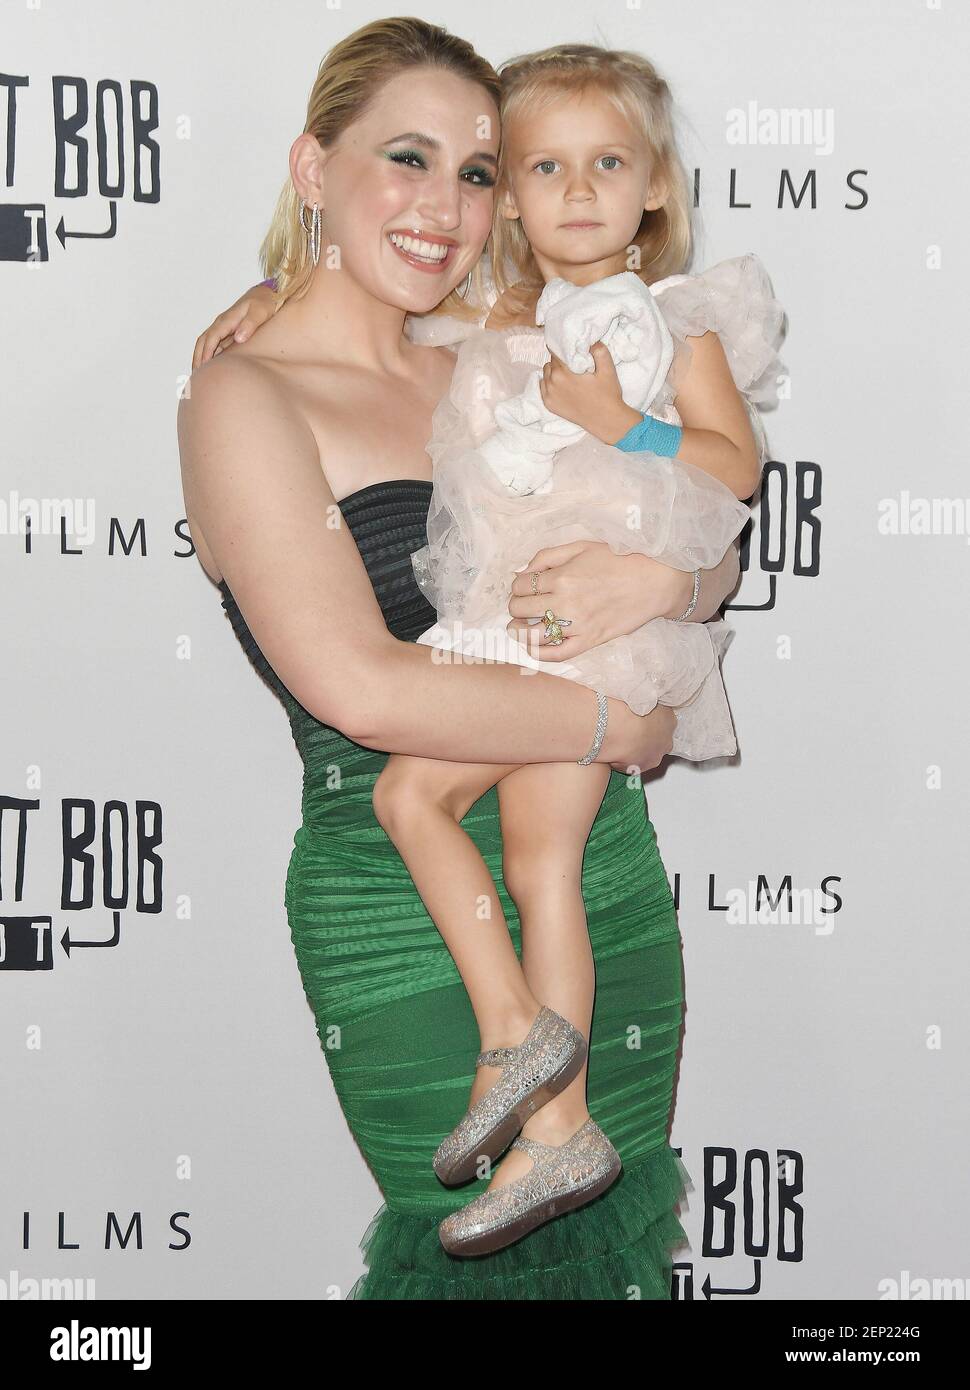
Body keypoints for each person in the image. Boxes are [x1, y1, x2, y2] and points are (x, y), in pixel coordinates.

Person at [180, 18, 742, 1299]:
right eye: (406, 159)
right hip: (399, 901)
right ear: (310, 168)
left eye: (479, 172)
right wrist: (616, 727)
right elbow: (360, 686)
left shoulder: (500, 356)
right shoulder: (242, 395)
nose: (445, 206)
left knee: (608, 1264)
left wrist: (659, 580)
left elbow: (705, 524)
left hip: (594, 872)